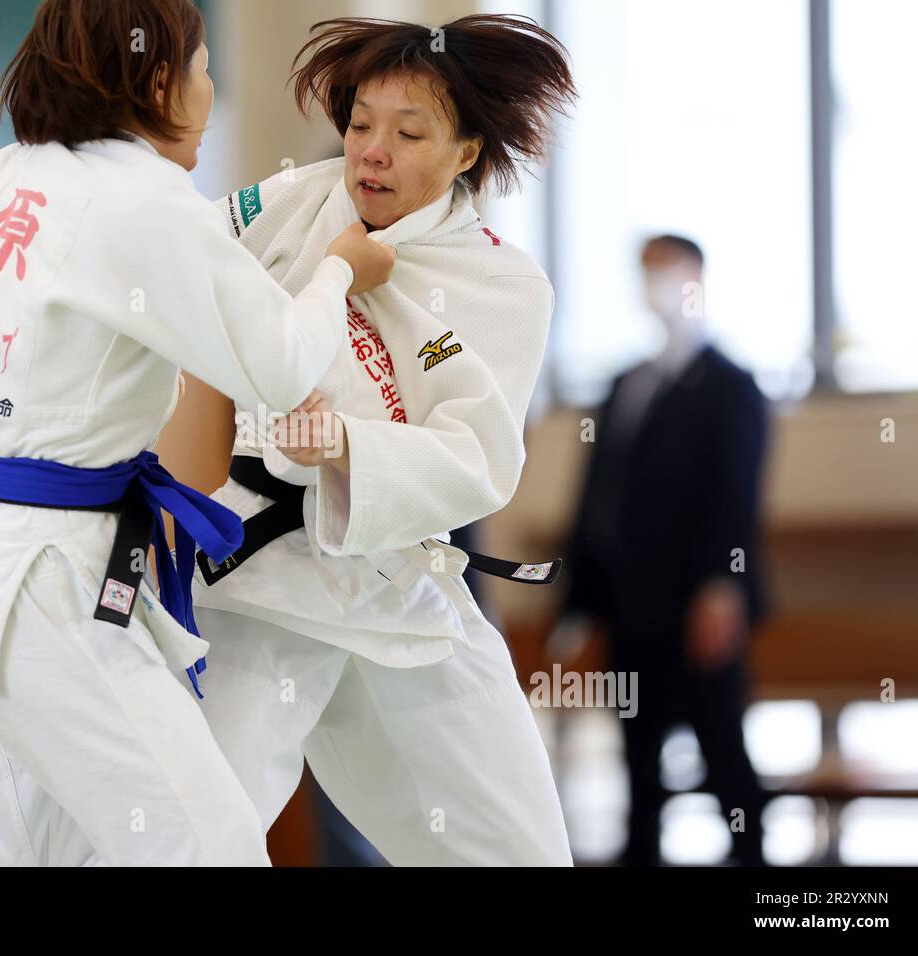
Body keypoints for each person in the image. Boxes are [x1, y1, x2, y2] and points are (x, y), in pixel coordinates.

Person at [0, 0, 395, 867]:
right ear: (158, 77)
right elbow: (279, 365)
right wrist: (338, 270)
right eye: (204, 68)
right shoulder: (141, 200)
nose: (212, 90)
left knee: (24, 856)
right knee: (211, 847)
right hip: (48, 595)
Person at [169, 15, 578, 865]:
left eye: (407, 132)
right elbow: (171, 257)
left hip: (399, 582)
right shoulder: (292, 202)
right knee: (196, 830)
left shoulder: (501, 284)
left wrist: (348, 447)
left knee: (519, 842)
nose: (371, 151)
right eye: (359, 125)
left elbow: (478, 456)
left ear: (466, 151)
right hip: (263, 580)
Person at [555, 234, 770, 866]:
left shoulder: (730, 384)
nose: (654, 286)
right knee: (637, 752)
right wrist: (577, 599)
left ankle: (758, 867)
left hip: (698, 601)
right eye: (645, 273)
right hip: (631, 603)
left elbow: (735, 498)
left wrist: (721, 587)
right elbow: (597, 500)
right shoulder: (628, 383)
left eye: (666, 272)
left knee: (720, 745)